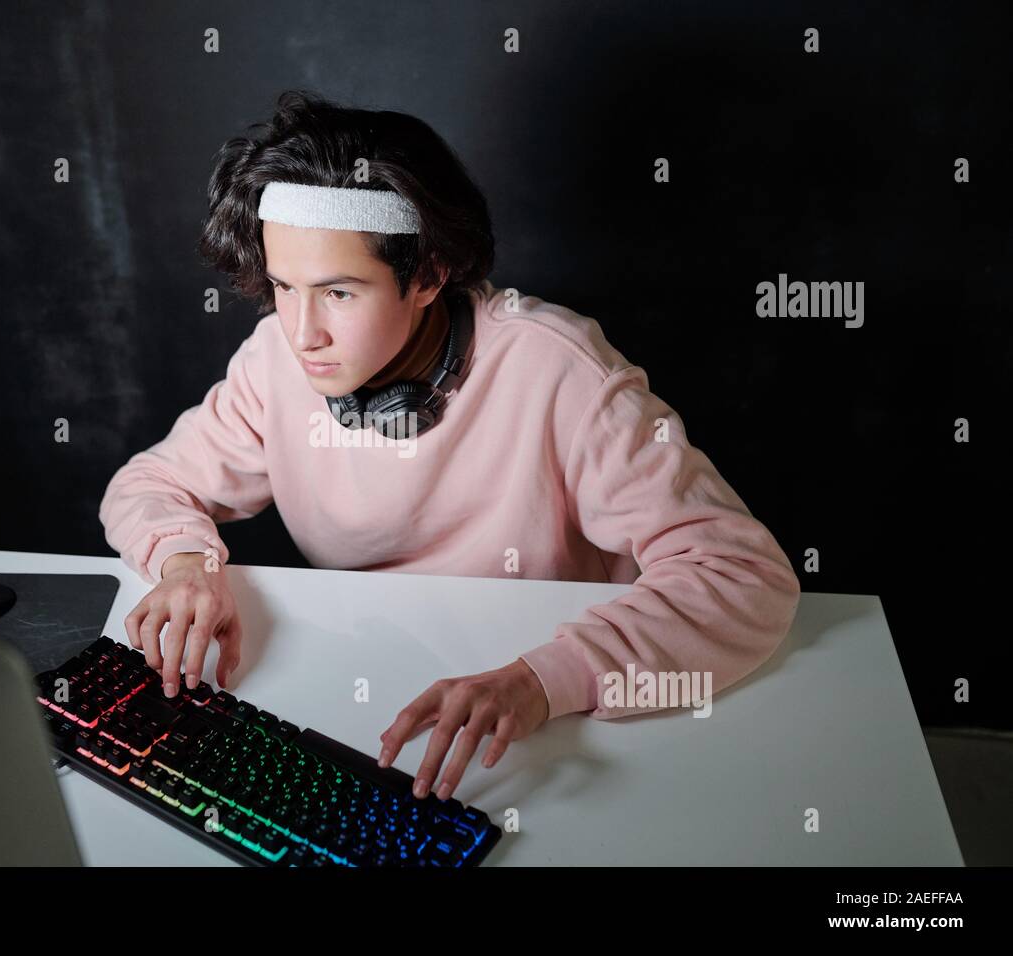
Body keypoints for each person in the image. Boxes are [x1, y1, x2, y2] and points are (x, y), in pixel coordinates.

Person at [99, 90, 800, 802]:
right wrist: (187, 564)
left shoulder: (560, 369)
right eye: (284, 288)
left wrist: (543, 682)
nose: (302, 333)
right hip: (376, 697)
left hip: (561, 726)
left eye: (339, 294)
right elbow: (145, 487)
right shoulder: (274, 360)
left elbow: (744, 577)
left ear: (430, 275)